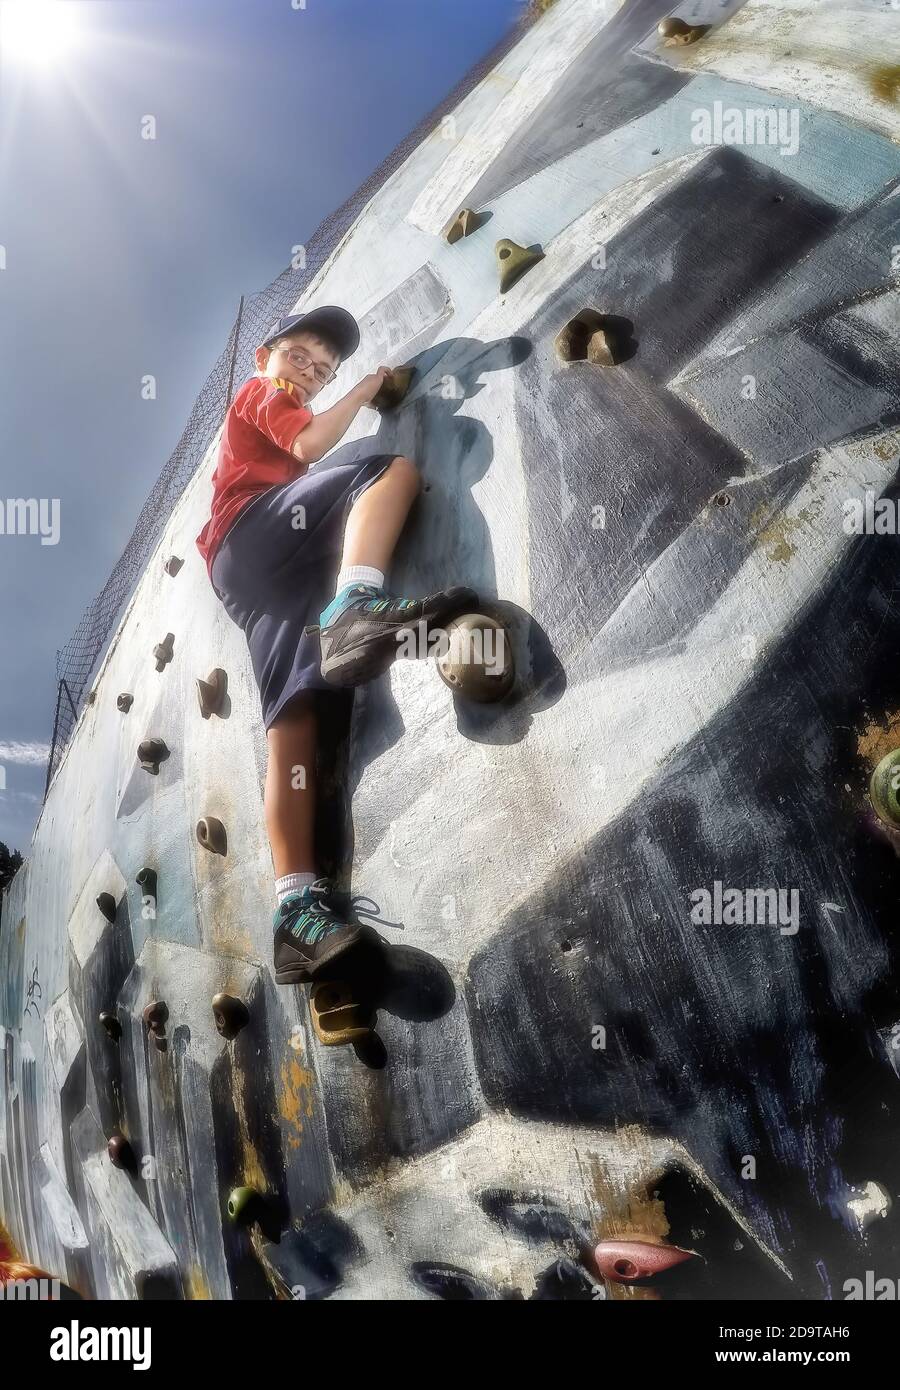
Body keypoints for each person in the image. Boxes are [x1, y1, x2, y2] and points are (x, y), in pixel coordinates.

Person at [196, 308, 475, 984]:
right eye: (300, 355)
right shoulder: (265, 392)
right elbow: (309, 448)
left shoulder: (280, 393)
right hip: (248, 537)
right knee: (390, 473)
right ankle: (356, 604)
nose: (309, 371)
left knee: (292, 724)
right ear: (266, 354)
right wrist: (366, 387)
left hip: (259, 581)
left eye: (323, 369)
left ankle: (298, 914)